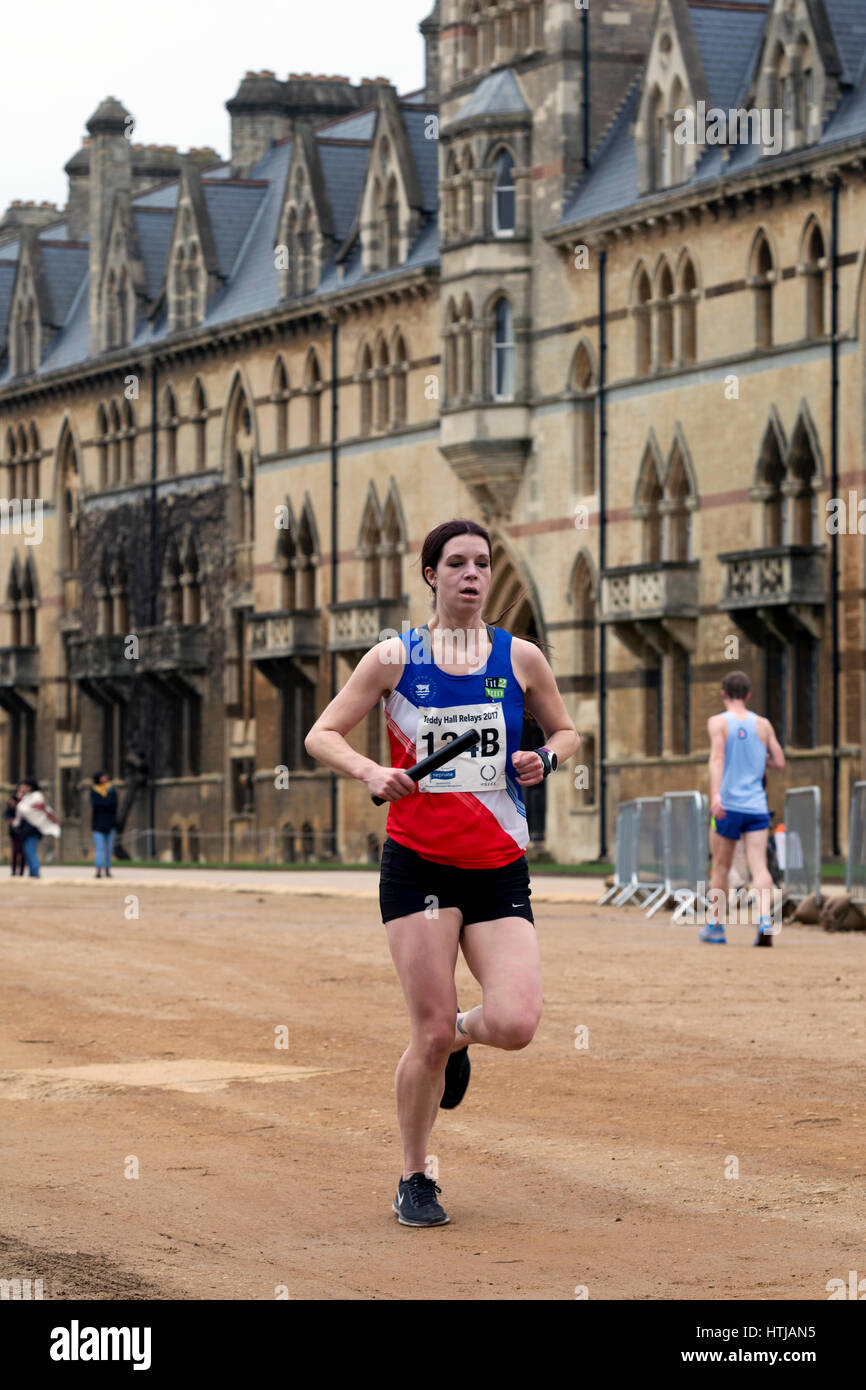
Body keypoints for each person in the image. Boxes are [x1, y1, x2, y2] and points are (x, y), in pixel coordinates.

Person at [304, 518, 580, 1226]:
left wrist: (542, 760)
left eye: (482, 563)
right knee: (424, 1035)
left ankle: (461, 1032)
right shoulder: (394, 658)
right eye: (455, 563)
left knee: (515, 1022)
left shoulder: (519, 658)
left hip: (496, 867)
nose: (471, 574)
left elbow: (567, 733)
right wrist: (374, 770)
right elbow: (321, 734)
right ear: (431, 574)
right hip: (418, 866)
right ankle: (415, 1176)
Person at [702, 672, 785, 946]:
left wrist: (715, 795)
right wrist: (761, 762)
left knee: (721, 867)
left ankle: (716, 927)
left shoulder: (718, 723)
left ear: (724, 694)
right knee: (759, 867)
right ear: (748, 695)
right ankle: (764, 920)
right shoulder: (763, 725)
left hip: (728, 806)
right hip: (756, 806)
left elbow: (717, 758)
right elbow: (780, 761)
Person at [12, 778, 61, 879]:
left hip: (33, 827)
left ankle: (35, 873)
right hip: (26, 828)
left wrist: (19, 801)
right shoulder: (26, 797)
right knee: (27, 851)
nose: (23, 788)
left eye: (25, 786)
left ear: (30, 787)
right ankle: (32, 873)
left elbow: (26, 810)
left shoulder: (37, 796)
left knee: (31, 851)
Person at [90, 770, 119, 878]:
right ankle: (98, 870)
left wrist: (104, 804)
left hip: (110, 824)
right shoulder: (94, 790)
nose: (105, 778)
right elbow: (97, 806)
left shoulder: (111, 790)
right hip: (98, 825)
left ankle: (107, 869)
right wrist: (107, 803)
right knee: (100, 848)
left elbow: (113, 805)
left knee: (109, 849)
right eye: (102, 777)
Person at [4, 783, 25, 876]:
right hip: (14, 831)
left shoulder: (27, 800)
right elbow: (7, 814)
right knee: (15, 851)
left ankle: (21, 872)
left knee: (23, 852)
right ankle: (13, 871)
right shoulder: (12, 800)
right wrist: (10, 820)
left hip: (24, 830)